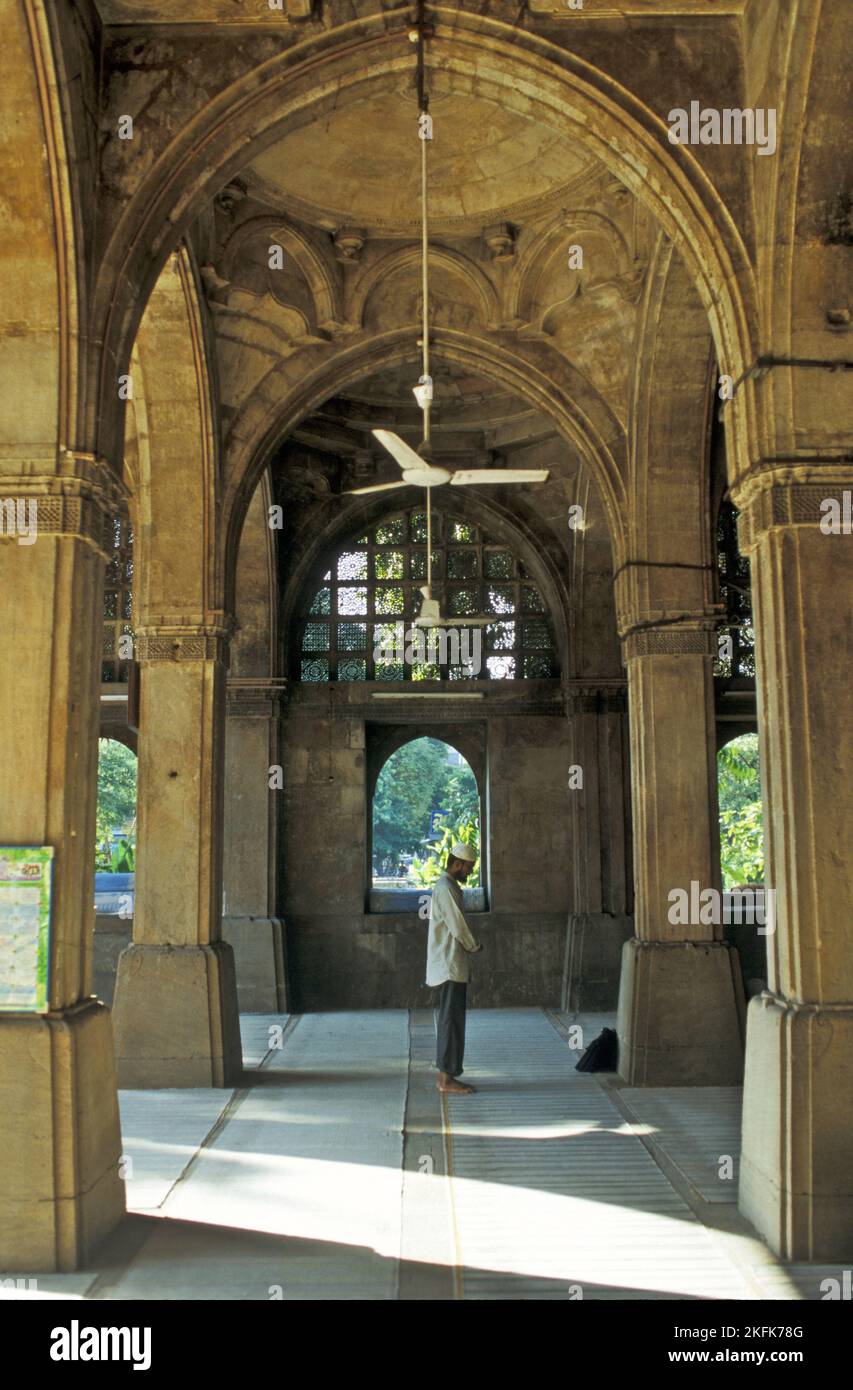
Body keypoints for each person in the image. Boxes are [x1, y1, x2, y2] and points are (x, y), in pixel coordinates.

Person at [425, 841, 483, 1095]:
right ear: (457, 863)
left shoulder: (448, 887)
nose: (469, 872)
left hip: (451, 963)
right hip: (449, 963)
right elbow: (457, 925)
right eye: (468, 867)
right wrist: (473, 945)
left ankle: (447, 1075)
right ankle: (445, 1079)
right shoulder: (446, 887)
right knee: (451, 1021)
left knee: (453, 1021)